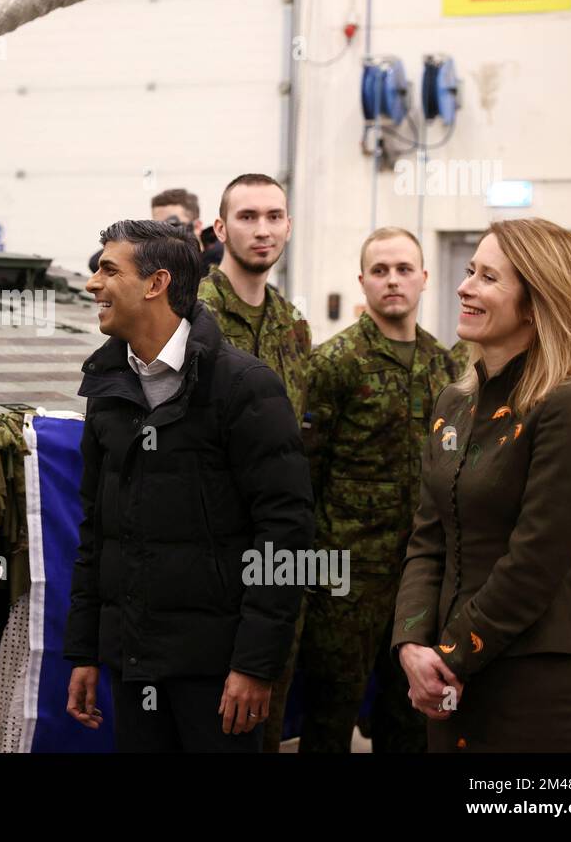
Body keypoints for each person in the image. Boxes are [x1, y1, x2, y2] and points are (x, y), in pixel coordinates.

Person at [65, 219, 313, 752]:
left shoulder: (245, 387)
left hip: (219, 676)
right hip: (134, 667)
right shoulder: (107, 389)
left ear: (155, 284)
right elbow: (97, 530)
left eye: (109, 270)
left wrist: (254, 664)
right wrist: (85, 650)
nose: (93, 284)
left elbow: (286, 535)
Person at [392, 218, 571, 752]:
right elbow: (427, 540)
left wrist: (448, 658)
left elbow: (535, 563)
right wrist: (409, 645)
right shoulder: (456, 403)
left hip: (532, 694)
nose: (465, 286)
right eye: (470, 271)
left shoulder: (570, 407)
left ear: (538, 305)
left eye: (488, 278)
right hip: (446, 688)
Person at [298, 227, 456, 753]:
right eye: (381, 271)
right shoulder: (332, 363)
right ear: (362, 281)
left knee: (410, 718)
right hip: (344, 578)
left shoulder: (448, 368)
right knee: (329, 716)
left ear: (424, 279)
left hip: (421, 578)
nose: (393, 281)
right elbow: (306, 476)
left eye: (404, 269)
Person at [198, 172, 311, 751]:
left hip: (275, 558)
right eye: (247, 217)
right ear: (220, 229)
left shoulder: (294, 326)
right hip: (205, 564)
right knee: (208, 727)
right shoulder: (190, 317)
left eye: (274, 216)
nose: (262, 229)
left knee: (264, 723)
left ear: (289, 226)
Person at [87, 188, 220, 274]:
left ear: (197, 226)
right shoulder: (156, 257)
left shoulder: (221, 259)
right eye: (158, 226)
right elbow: (97, 262)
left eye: (172, 225)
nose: (164, 233)